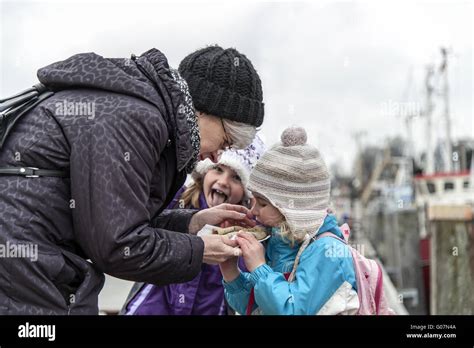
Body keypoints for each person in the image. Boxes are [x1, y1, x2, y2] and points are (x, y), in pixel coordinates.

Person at [0, 45, 264, 314]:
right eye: (226, 141)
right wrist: (199, 250)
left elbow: (116, 219)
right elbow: (116, 246)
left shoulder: (136, 108)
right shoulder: (136, 120)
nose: (218, 156)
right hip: (27, 271)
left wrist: (192, 222)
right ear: (205, 110)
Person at [219, 126, 360, 315]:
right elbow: (257, 308)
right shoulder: (280, 243)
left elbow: (293, 310)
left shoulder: (328, 252)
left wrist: (260, 268)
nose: (253, 211)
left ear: (290, 208)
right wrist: (231, 273)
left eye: (262, 203)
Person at [122, 136, 264, 315]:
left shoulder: (248, 228)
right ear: (204, 172)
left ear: (246, 189)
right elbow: (143, 231)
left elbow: (246, 278)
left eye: (236, 178)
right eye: (218, 169)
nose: (223, 181)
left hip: (210, 308)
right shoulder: (176, 200)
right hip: (154, 305)